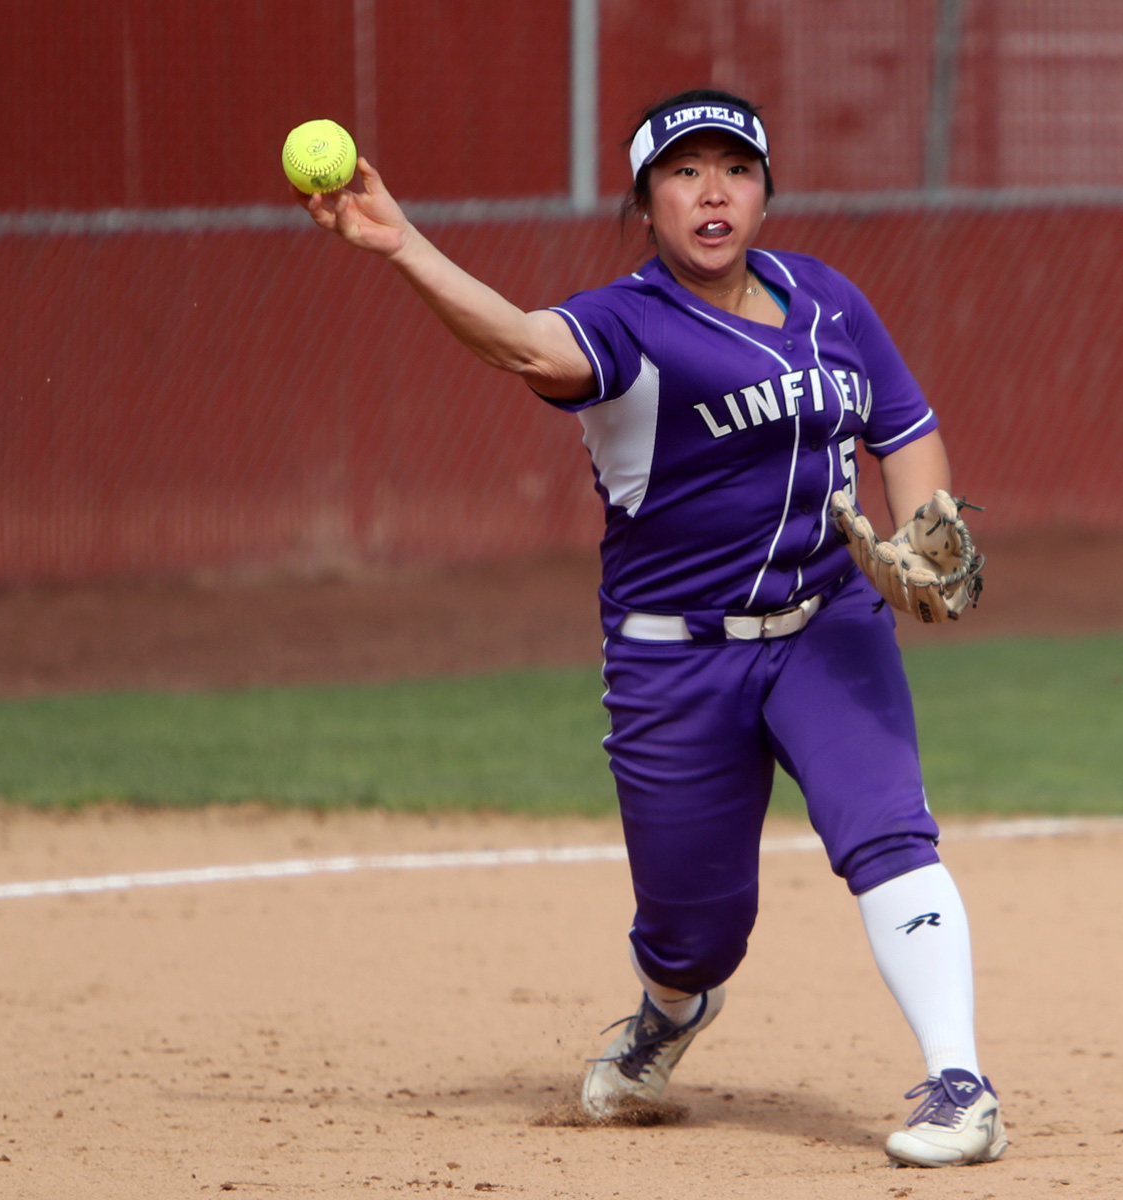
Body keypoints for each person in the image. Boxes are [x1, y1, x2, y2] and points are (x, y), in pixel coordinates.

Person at [298, 88, 1004, 1168]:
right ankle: (670, 1013)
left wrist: (923, 526)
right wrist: (404, 248)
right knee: (695, 930)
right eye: (684, 173)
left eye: (736, 169)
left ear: (766, 194)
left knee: (888, 834)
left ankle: (961, 1082)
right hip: (677, 661)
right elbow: (528, 349)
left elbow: (903, 426)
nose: (712, 191)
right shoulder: (629, 323)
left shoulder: (828, 301)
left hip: (828, 627)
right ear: (646, 203)